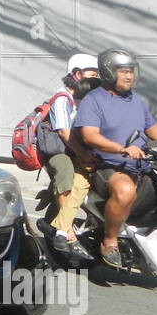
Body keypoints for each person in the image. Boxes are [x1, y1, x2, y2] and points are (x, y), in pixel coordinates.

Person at [73, 46, 157, 267]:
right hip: (108, 166)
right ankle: (110, 240)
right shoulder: (94, 100)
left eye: (131, 70)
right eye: (123, 71)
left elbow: (153, 128)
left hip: (139, 165)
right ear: (109, 72)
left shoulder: (135, 100)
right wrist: (121, 149)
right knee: (125, 190)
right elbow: (89, 136)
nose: (130, 75)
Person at [42, 53, 99, 266]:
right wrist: (83, 154)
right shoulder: (62, 97)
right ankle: (66, 230)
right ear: (76, 75)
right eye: (91, 76)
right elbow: (64, 133)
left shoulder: (85, 98)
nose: (95, 81)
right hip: (58, 150)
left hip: (75, 148)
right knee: (66, 173)